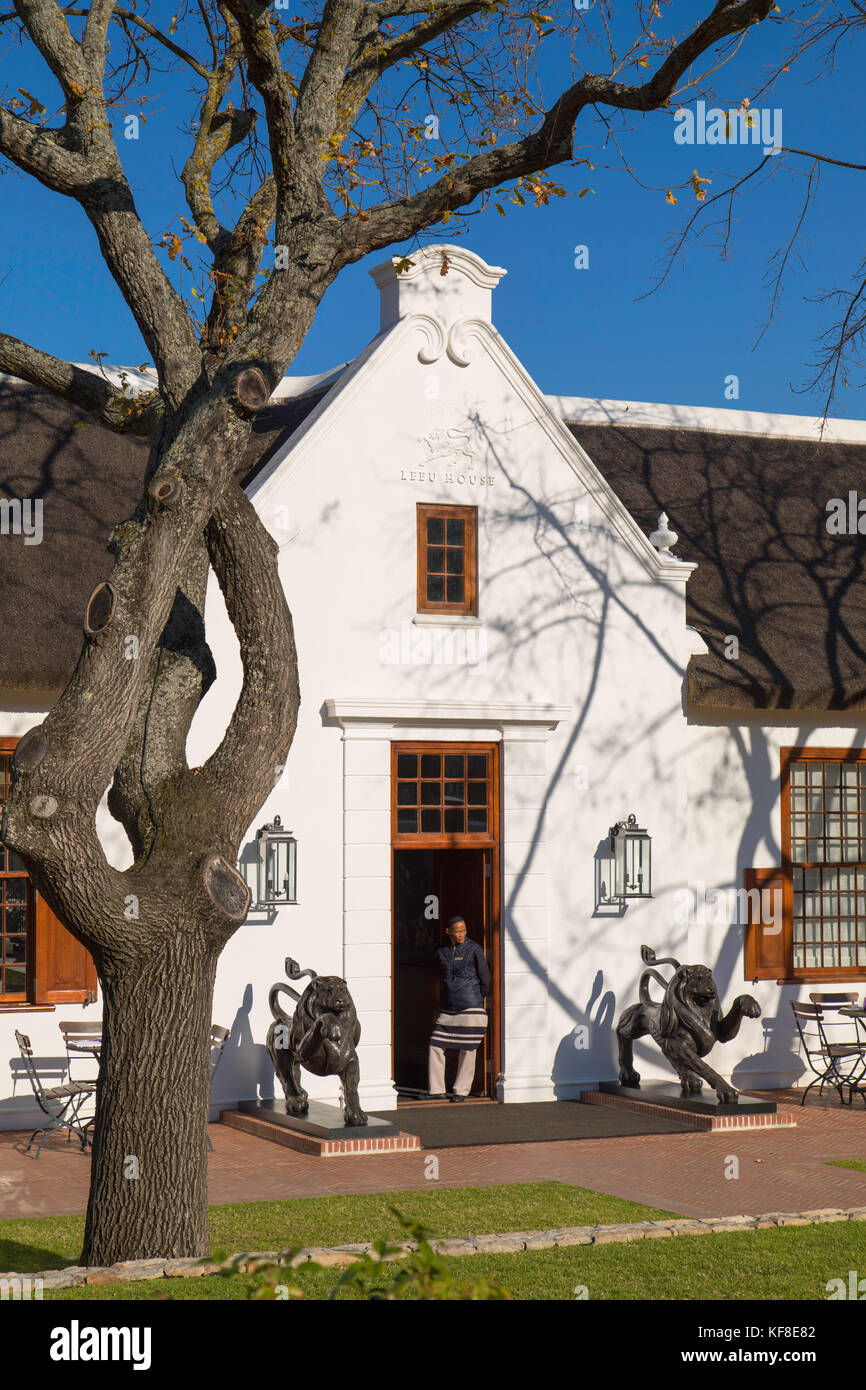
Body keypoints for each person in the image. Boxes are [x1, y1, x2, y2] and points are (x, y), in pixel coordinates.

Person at [428, 915, 491, 1103]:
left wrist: (479, 998)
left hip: (471, 1005)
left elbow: (485, 977)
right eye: (458, 931)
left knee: (468, 1048)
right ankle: (436, 1090)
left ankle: (461, 1091)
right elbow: (435, 972)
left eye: (464, 930)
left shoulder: (474, 949)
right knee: (435, 1044)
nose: (462, 934)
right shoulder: (442, 951)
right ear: (449, 932)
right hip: (449, 1008)